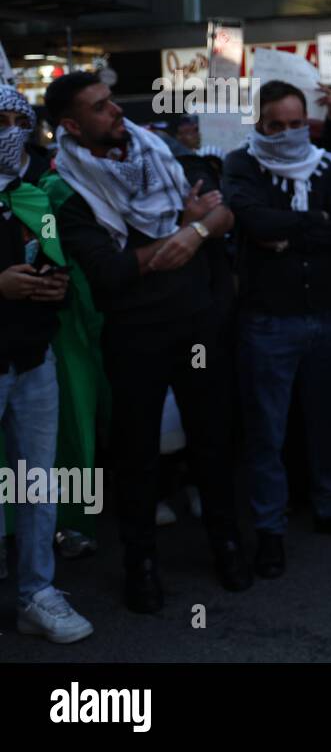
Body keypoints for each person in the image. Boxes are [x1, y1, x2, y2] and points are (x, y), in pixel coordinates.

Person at [48, 71, 251, 612]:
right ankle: (140, 563)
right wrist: (180, 230)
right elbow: (110, 272)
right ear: (71, 125)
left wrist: (196, 231)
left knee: (213, 441)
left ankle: (226, 545)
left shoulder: (164, 154)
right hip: (133, 336)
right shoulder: (69, 191)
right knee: (136, 456)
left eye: (112, 100)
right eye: (98, 107)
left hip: (199, 326)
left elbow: (224, 211)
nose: (114, 111)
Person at [223, 80, 331, 580]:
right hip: (267, 322)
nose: (288, 134)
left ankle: (330, 507)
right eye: (277, 126)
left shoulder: (327, 164)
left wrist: (292, 228)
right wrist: (312, 224)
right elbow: (255, 222)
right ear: (259, 125)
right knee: (267, 432)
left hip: (326, 318)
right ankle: (269, 529)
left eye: (296, 125)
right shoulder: (241, 164)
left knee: (325, 423)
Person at [0, 85, 93, 642]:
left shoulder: (36, 195)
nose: (9, 129)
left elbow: (54, 256)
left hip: (34, 360)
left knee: (36, 482)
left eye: (18, 119)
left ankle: (37, 592)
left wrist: (54, 283)